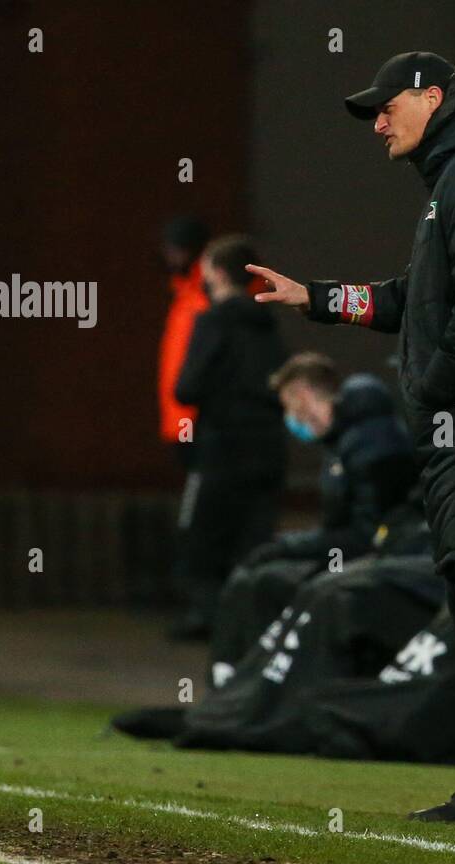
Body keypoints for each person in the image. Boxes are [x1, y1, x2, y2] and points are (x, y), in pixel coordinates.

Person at [246, 51, 455, 830]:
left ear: (433, 98)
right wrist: (318, 298)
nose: (378, 121)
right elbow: (412, 299)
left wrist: (429, 389)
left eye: (386, 104)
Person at [208, 353, 418, 678]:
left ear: (303, 395)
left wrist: (289, 547)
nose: (289, 418)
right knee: (252, 574)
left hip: (377, 558)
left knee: (267, 581)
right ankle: (235, 678)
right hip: (353, 553)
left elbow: (367, 534)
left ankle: (255, 680)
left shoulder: (372, 443)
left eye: (289, 405)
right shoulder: (343, 441)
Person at [171, 234, 288, 641]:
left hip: (221, 449)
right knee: (253, 541)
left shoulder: (213, 321)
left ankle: (209, 619)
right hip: (269, 447)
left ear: (217, 273)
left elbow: (186, 387)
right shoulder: (268, 325)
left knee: (200, 536)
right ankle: (250, 625)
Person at [157, 215, 210, 466]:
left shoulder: (205, 295)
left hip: (198, 419)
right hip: (182, 417)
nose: (170, 257)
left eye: (176, 249)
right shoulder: (184, 294)